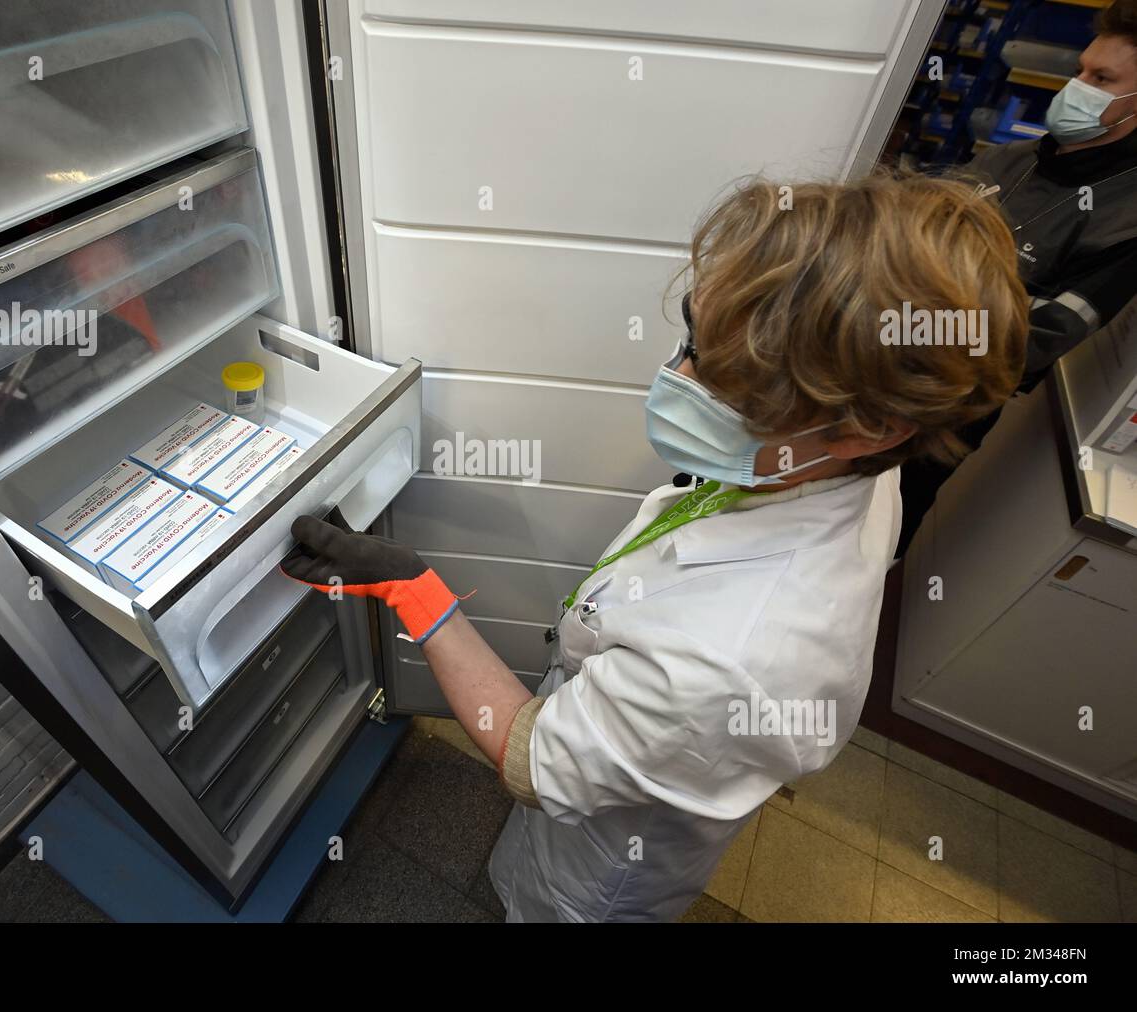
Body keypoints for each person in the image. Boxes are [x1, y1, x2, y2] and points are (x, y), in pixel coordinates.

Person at [282, 172, 1029, 922]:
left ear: (865, 430)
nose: (676, 378)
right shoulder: (850, 467)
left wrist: (417, 590)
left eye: (733, 387)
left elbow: (530, 761)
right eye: (693, 337)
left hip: (601, 877)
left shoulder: (729, 661)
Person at [897, 0, 1137, 556]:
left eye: (1102, 79)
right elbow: (894, 247)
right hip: (868, 363)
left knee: (869, 534)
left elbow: (1032, 338)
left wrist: (906, 318)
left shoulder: (1125, 219)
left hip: (944, 411)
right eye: (1080, 70)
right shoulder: (1010, 160)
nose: (1076, 87)